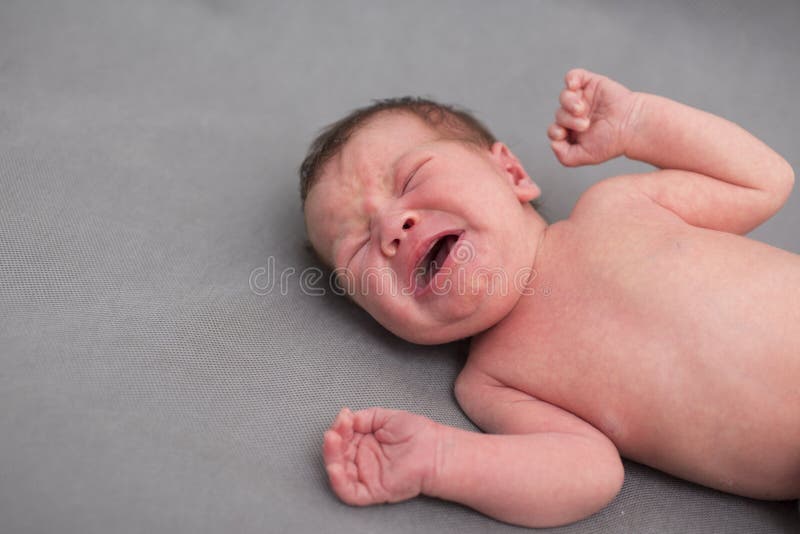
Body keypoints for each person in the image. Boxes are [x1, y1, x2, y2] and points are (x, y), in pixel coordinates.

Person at [300, 68, 799, 528]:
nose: (391, 226)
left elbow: (762, 180)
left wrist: (638, 121)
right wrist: (440, 459)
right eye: (359, 247)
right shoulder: (493, 382)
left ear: (511, 173)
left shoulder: (617, 209)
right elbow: (586, 473)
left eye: (411, 179)